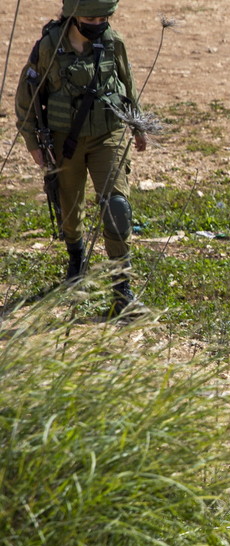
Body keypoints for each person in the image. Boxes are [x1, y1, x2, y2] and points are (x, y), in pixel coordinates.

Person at [15, 0, 146, 315]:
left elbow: (127, 84)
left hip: (108, 134)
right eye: (90, 17)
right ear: (72, 15)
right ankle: (76, 259)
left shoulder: (113, 42)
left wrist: (137, 123)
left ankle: (122, 293)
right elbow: (26, 96)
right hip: (64, 142)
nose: (98, 22)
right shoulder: (49, 47)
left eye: (104, 17)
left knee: (117, 207)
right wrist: (33, 142)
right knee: (70, 210)